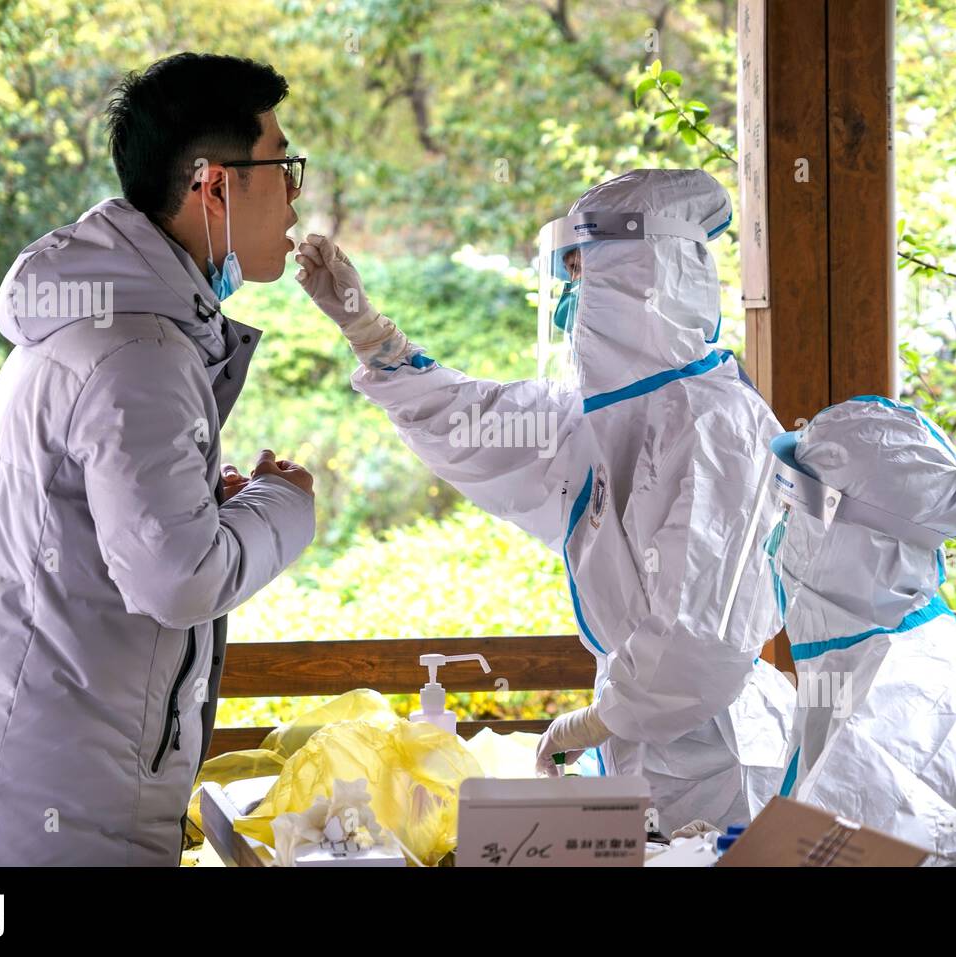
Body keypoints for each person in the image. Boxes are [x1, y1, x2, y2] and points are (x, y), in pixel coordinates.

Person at [0, 53, 316, 866]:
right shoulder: (139, 349)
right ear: (214, 186)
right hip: (46, 820)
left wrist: (208, 509)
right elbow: (176, 578)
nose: (297, 193)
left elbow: (117, 544)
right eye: (283, 165)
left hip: (22, 794)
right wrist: (284, 505)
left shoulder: (111, 322)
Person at [294, 168, 795, 835]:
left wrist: (594, 721)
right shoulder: (598, 419)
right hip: (637, 755)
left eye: (583, 273)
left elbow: (698, 638)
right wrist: (368, 330)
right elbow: (468, 421)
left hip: (723, 766)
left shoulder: (717, 426)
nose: (570, 298)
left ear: (641, 279)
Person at [731, 397, 956, 865]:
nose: (779, 528)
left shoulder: (904, 697)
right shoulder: (879, 649)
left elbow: (816, 855)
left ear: (870, 543)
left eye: (800, 501)